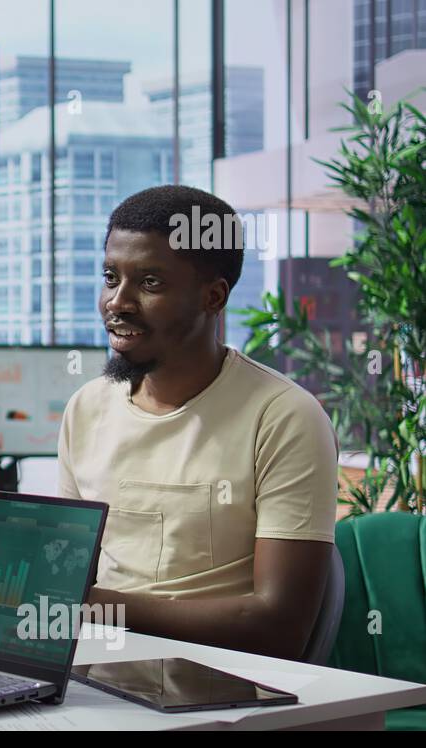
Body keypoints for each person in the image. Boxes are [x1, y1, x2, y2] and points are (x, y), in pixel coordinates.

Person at [58, 184, 339, 660]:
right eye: (110, 277)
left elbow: (280, 626)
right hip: (94, 666)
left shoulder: (284, 416)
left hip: (220, 680)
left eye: (150, 283)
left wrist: (97, 609)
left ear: (213, 297)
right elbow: (65, 578)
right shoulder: (86, 408)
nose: (117, 302)